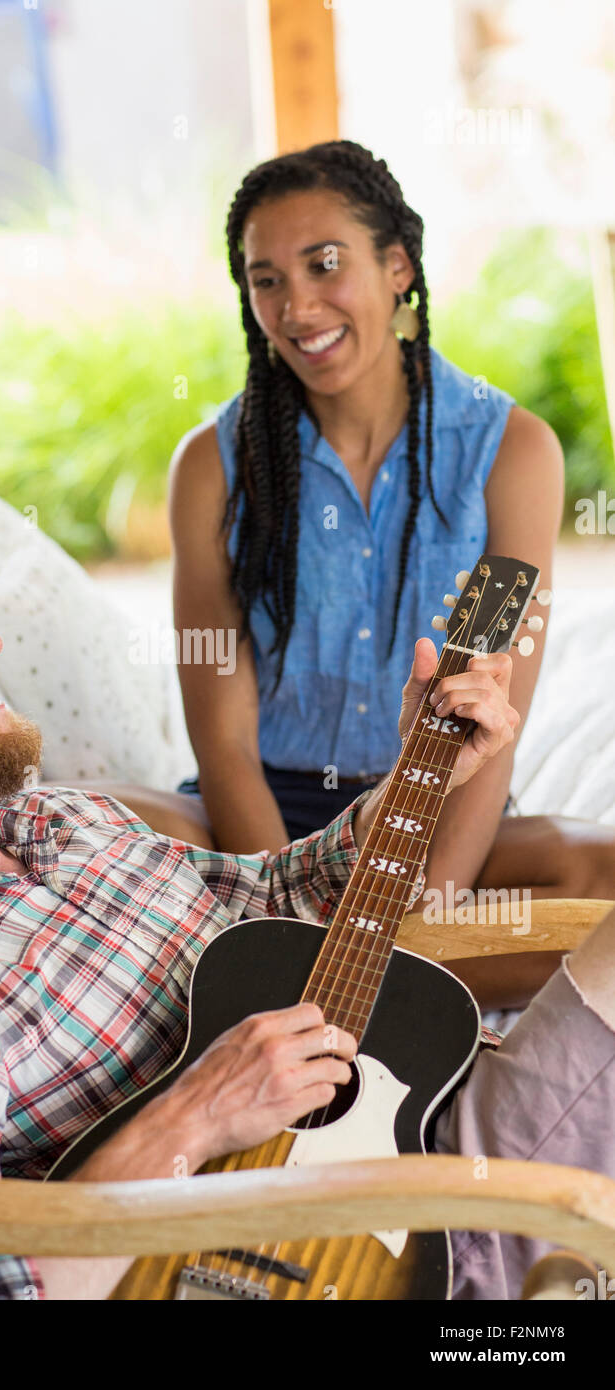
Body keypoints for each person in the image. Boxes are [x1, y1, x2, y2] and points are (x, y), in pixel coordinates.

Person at [0, 556, 613, 1301]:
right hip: (341, 1249)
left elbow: (277, 898)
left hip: (440, 1126)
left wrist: (421, 777)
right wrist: (196, 1114)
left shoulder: (64, 821)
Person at [121, 140, 613, 908]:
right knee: (94, 827)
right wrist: (281, 904)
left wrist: (414, 919)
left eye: (324, 264)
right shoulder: (211, 466)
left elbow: (486, 690)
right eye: (266, 280)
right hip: (259, 819)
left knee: (602, 868)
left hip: (436, 805)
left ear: (398, 268)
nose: (296, 308)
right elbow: (221, 739)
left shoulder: (511, 453)